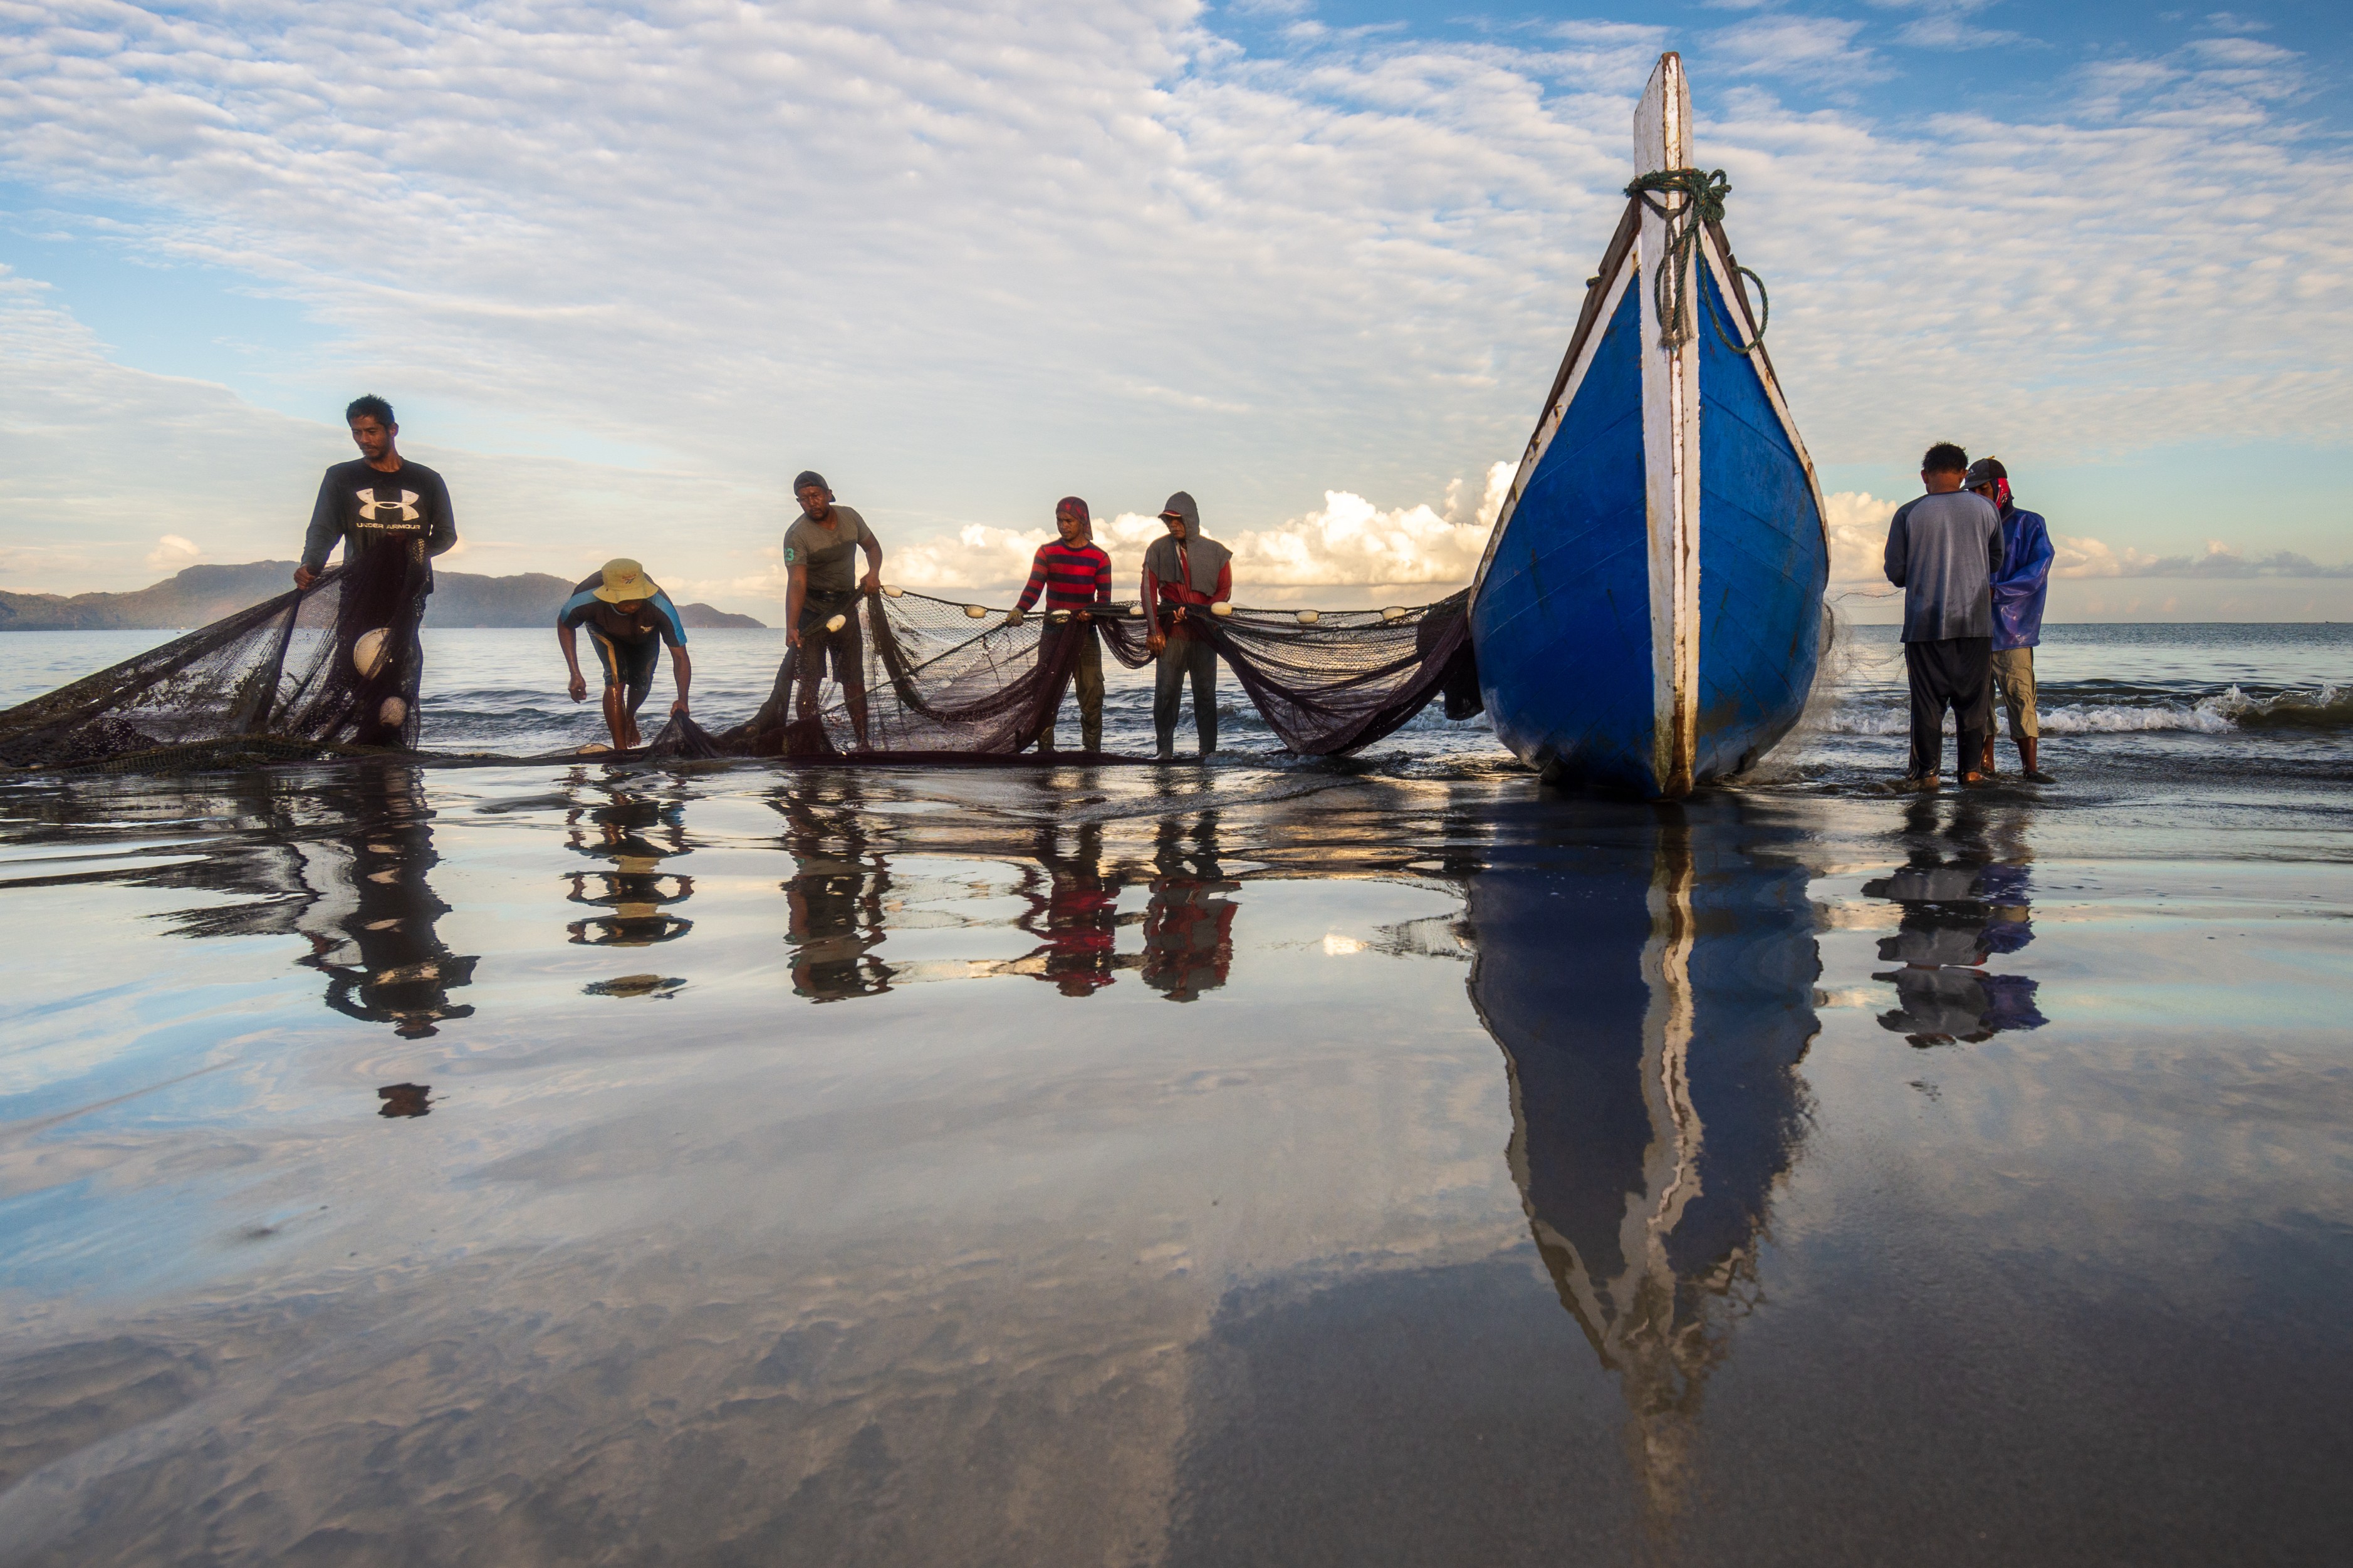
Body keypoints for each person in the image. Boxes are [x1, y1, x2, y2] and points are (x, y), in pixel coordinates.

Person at [295, 395, 457, 744]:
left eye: (371, 432)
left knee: (397, 666)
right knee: (355, 664)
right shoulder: (341, 477)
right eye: (357, 433)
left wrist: (414, 547)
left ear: (392, 430)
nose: (364, 440)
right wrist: (312, 563)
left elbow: (446, 536)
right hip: (359, 587)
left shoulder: (427, 480)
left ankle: (387, 737)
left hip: (409, 590)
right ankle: (362, 736)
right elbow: (324, 529)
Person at [1883, 442, 2003, 788]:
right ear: (1964, 473)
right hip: (1976, 625)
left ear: (1925, 476)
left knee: (1927, 706)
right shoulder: (1986, 509)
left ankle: (1927, 775)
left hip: (1925, 626)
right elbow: (1995, 562)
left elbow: (1896, 573)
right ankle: (1970, 772)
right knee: (1973, 705)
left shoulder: (1909, 513)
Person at [1966, 457, 2056, 782]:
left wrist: (1997, 591)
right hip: (1973, 628)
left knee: (2019, 696)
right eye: (1973, 491)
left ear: (2000, 486)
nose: (1979, 495)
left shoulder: (2030, 524)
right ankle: (1985, 764)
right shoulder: (1972, 528)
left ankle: (2030, 769)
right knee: (1979, 702)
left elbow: (2037, 572)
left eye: (1984, 488)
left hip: (2014, 632)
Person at [783, 471, 884, 749]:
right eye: (804, 499)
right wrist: (792, 626)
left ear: (829, 494)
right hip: (812, 614)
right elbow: (797, 582)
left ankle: (863, 741)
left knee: (853, 678)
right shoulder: (796, 535)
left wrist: (873, 572)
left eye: (816, 496)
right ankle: (811, 743)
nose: (812, 503)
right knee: (810, 680)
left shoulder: (850, 517)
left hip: (845, 607)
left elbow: (873, 547)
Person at [1008, 496, 1112, 753]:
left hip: (1085, 636)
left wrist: (1092, 613)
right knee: (1046, 694)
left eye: (1069, 521)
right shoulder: (1047, 552)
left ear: (1082, 521)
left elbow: (1105, 600)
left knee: (1092, 695)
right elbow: (1034, 587)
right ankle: (1045, 752)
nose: (1063, 526)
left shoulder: (1100, 557)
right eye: (1059, 520)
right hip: (1053, 632)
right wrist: (1020, 609)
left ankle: (1092, 753)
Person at [556, 558, 692, 752]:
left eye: (637, 597)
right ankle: (620, 752)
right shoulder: (584, 601)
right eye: (625, 599)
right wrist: (575, 674)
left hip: (644, 630)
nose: (632, 604)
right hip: (604, 629)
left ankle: (629, 717)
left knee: (643, 681)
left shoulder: (661, 606)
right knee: (616, 678)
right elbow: (564, 624)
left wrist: (683, 700)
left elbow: (680, 657)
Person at [1140, 491, 1232, 761]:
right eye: (1168, 521)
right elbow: (1148, 589)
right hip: (1173, 634)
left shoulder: (1216, 552)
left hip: (1204, 634)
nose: (1172, 525)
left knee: (1205, 694)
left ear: (1190, 519)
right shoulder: (1157, 549)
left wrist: (1197, 613)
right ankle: (1164, 751)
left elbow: (1224, 592)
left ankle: (1208, 752)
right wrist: (1155, 630)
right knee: (1166, 692)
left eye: (1177, 520)